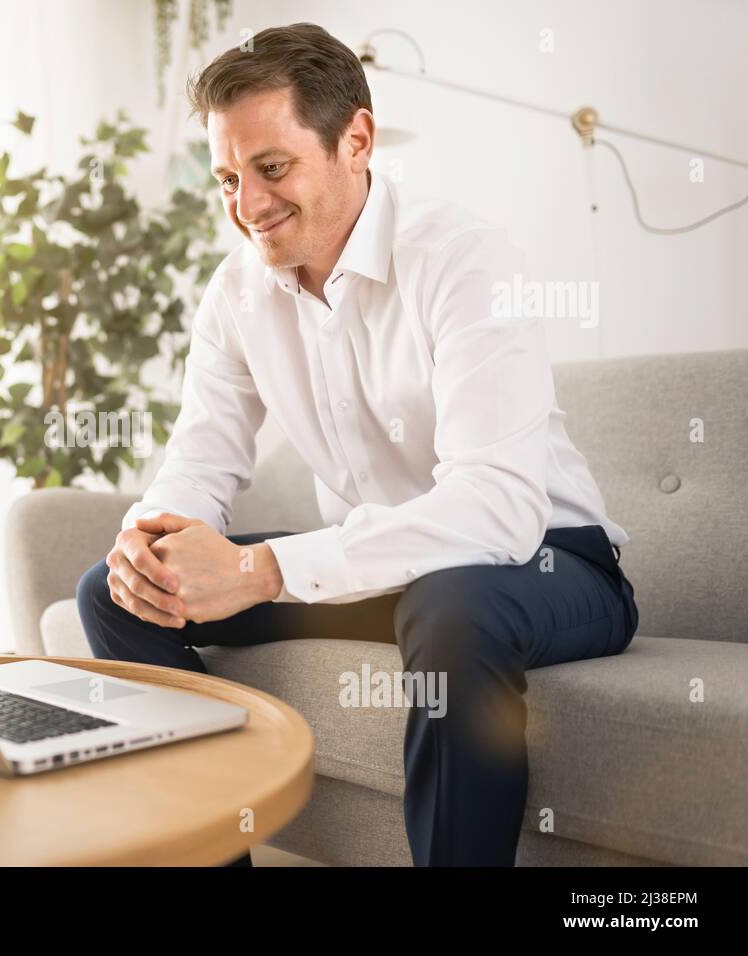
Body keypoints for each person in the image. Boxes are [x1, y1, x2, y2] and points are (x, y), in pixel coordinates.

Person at [76, 23, 639, 867]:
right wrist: (152, 538)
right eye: (228, 178)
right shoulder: (236, 293)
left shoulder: (464, 260)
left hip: (549, 565)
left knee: (453, 604)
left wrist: (260, 569)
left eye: (272, 169)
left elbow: (498, 508)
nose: (248, 205)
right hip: (378, 572)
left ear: (357, 141)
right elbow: (201, 458)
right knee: (115, 595)